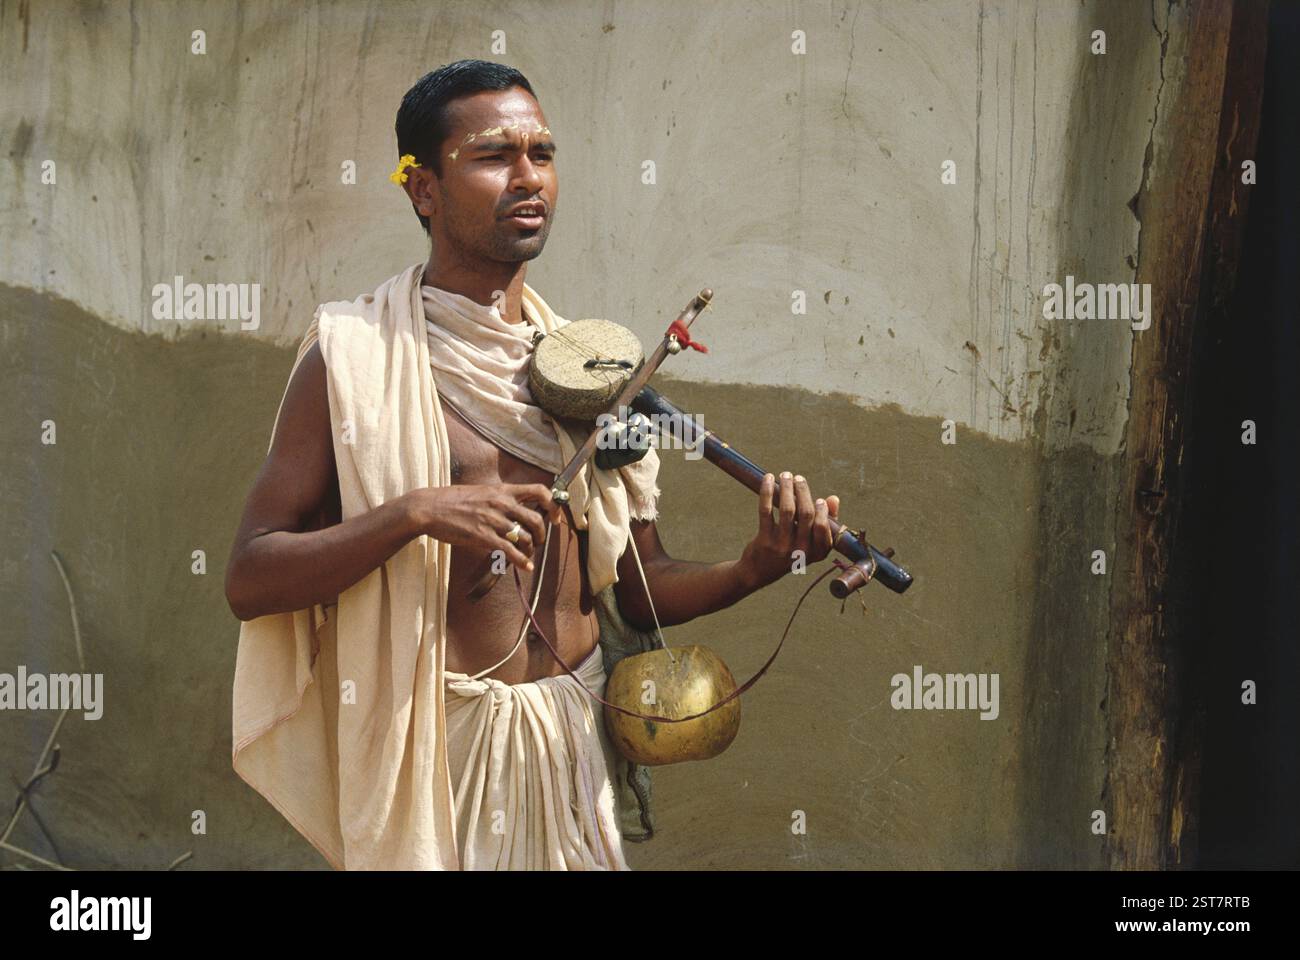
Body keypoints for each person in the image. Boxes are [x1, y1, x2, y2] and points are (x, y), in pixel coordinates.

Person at [225, 59, 840, 871]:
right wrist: (414, 513)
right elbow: (250, 578)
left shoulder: (592, 371)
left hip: (568, 742)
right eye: (493, 156)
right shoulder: (354, 360)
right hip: (438, 758)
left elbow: (637, 585)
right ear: (422, 189)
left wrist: (759, 565)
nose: (528, 178)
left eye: (541, 154)